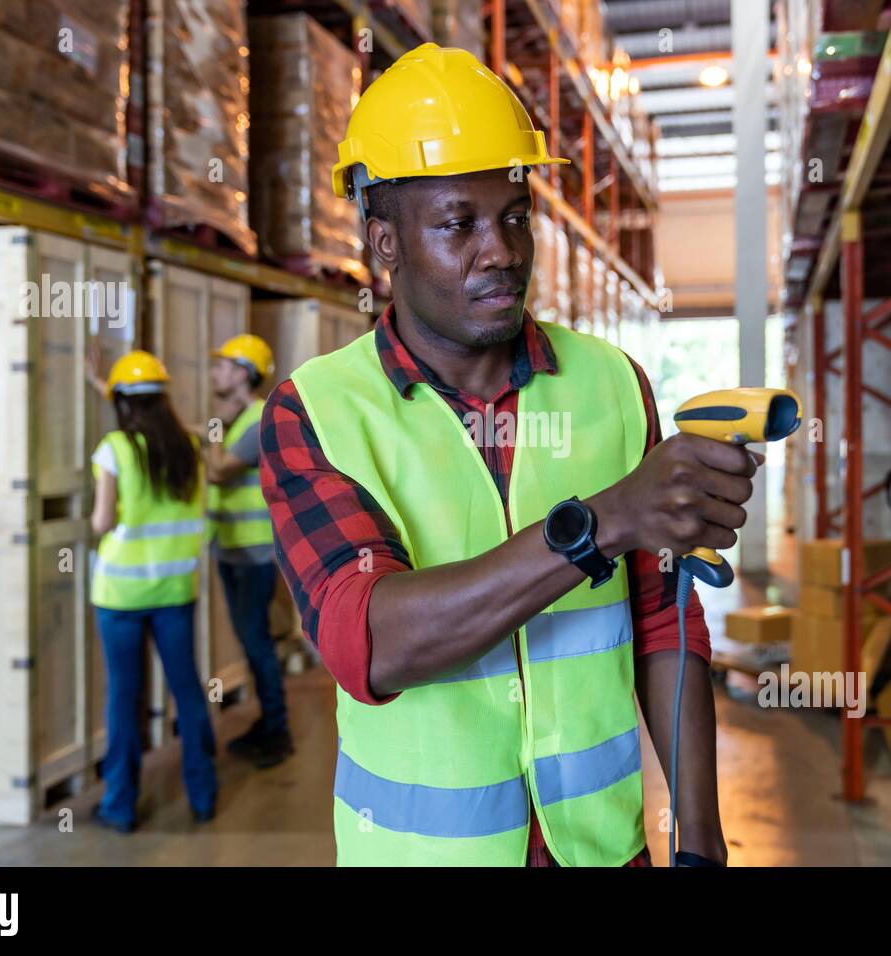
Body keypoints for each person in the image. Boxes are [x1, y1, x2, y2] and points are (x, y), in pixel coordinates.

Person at [260, 43, 757, 867]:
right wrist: (604, 521)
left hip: (602, 850)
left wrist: (699, 842)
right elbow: (370, 643)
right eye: (459, 224)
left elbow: (665, 616)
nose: (501, 250)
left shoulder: (611, 383)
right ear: (384, 246)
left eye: (516, 216)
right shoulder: (317, 412)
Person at [87, 348, 218, 832]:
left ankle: (120, 806)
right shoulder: (188, 445)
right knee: (187, 691)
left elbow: (103, 520)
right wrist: (101, 382)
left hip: (121, 597)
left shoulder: (115, 449)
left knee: (124, 697)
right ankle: (203, 795)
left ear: (123, 402)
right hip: (174, 590)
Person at [204, 334, 293, 768]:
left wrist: (213, 428)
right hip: (235, 550)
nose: (215, 372)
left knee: (256, 640)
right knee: (252, 639)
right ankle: (269, 722)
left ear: (243, 372)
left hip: (251, 554)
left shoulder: (256, 417)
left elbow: (218, 470)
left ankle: (277, 731)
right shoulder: (240, 418)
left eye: (222, 365)